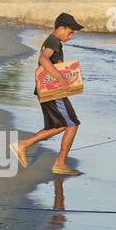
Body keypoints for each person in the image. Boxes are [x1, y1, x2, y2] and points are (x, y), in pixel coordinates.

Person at [14, 13, 84, 176]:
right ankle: (57, 163)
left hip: (51, 91)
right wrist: (60, 78)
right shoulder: (53, 41)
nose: (71, 34)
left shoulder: (55, 42)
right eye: (70, 31)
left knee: (61, 125)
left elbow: (55, 63)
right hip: (52, 92)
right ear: (61, 28)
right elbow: (44, 59)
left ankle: (25, 145)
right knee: (71, 125)